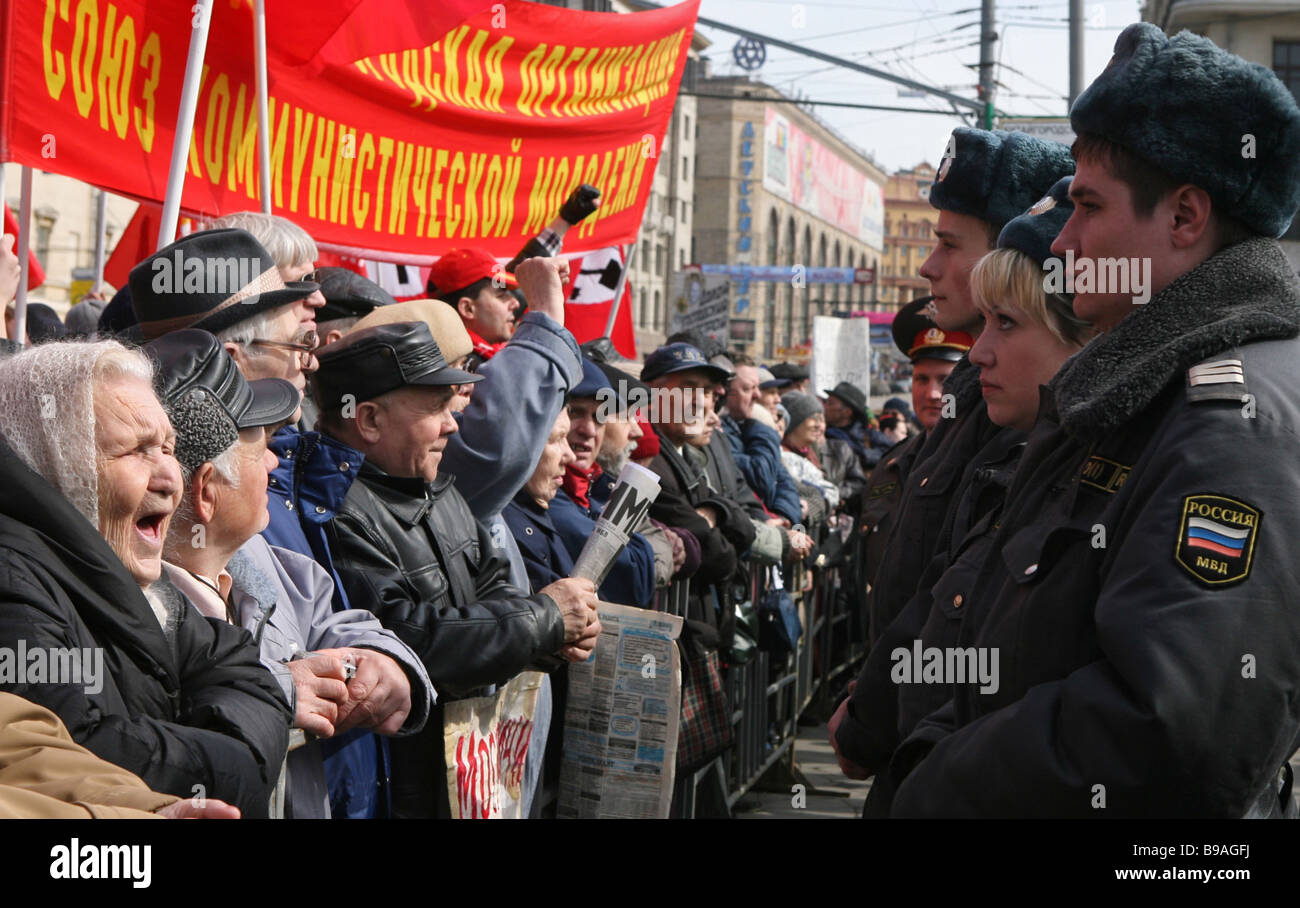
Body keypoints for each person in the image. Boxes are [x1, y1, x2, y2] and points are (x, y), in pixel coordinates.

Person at [890, 24, 1300, 817]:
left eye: (1086, 206)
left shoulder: (1229, 421)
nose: (1066, 240)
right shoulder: (1141, 391)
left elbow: (1170, 730)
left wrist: (937, 786)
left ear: (1184, 217)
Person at [831, 176, 1093, 814]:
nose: (978, 353)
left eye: (1007, 323)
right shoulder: (1004, 435)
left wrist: (923, 765)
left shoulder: (1064, 459)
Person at [314, 321, 600, 817]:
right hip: (401, 791)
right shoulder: (340, 513)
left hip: (463, 781)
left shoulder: (440, 492)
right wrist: (544, 621)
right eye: (435, 407)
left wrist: (548, 635)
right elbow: (410, 641)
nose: (453, 424)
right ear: (370, 419)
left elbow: (497, 592)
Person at [148, 329, 433, 818]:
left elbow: (336, 618)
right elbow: (141, 732)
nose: (277, 461)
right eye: (262, 451)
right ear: (207, 491)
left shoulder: (256, 555)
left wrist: (387, 665)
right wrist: (276, 691)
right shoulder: (132, 606)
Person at [0, 341, 290, 816]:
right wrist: (236, 762)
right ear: (54, 462)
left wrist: (232, 754)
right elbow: (80, 751)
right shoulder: (12, 585)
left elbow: (241, 670)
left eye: (169, 449)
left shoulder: (136, 583)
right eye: (137, 451)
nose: (171, 478)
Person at [864, 128, 1074, 646]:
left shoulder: (1015, 407)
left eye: (949, 244)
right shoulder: (979, 395)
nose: (927, 265)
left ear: (1012, 246)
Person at [858, 297, 973, 638]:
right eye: (921, 379)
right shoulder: (891, 464)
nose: (932, 393)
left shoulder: (985, 463)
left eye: (945, 379)